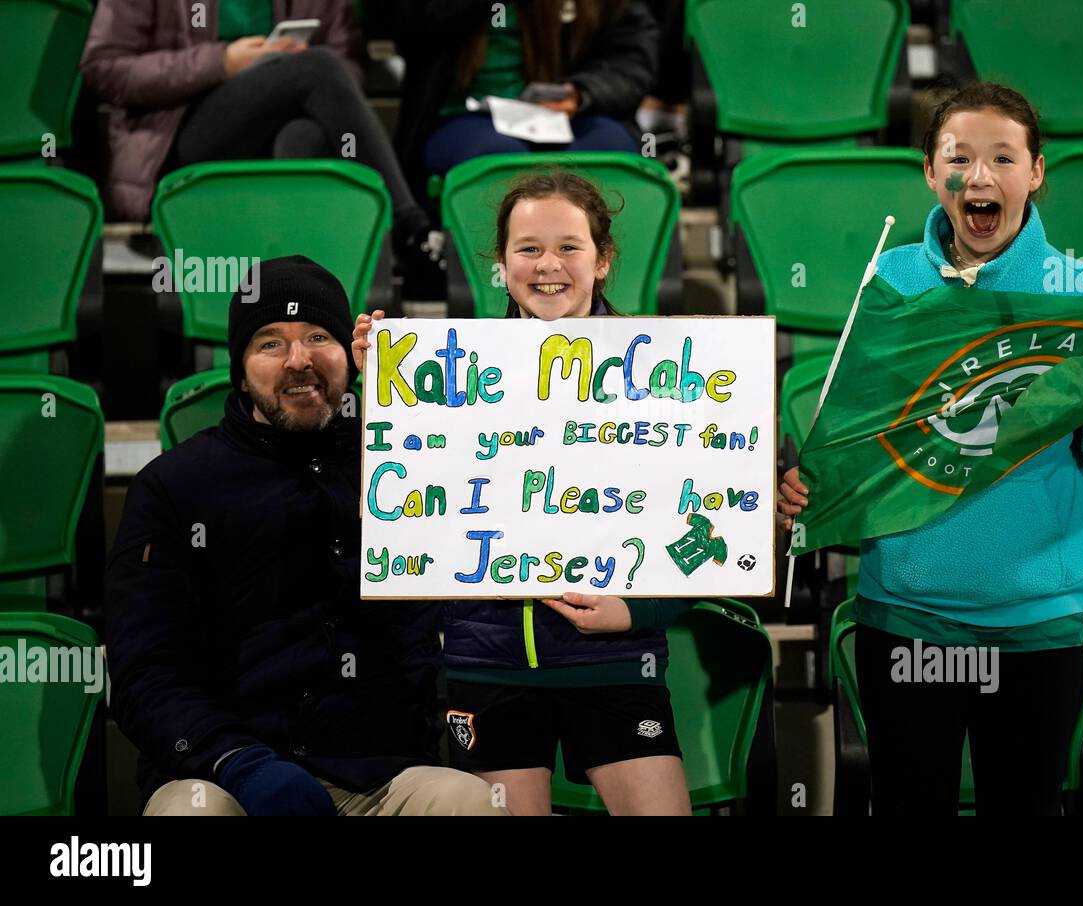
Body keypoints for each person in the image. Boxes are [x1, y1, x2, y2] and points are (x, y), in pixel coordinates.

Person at [777, 82, 1083, 816]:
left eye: (1003, 158)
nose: (980, 177)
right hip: (903, 621)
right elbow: (859, 443)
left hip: (1037, 629)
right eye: (959, 158)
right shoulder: (889, 280)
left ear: (1037, 171)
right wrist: (805, 485)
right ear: (931, 173)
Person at [106, 255, 504, 815]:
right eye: (270, 343)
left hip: (381, 777)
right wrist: (239, 762)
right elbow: (143, 672)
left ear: (349, 354)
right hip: (223, 776)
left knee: (467, 801)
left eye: (319, 337)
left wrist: (400, 411)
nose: (299, 362)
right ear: (241, 369)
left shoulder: (399, 466)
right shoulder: (172, 487)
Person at [354, 171, 693, 815]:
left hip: (615, 661)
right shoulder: (443, 370)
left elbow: (708, 522)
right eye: (528, 248)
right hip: (487, 666)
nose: (548, 266)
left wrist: (641, 611)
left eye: (569, 247)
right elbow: (408, 512)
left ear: (604, 260)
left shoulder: (666, 371)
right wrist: (383, 393)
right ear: (501, 263)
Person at [80, 1, 440, 272]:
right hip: (177, 135)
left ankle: (296, 296)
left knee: (303, 137)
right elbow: (104, 67)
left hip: (280, 133)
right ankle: (406, 225)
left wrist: (286, 74)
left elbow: (348, 63)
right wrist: (221, 62)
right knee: (319, 66)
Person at [387, 0, 659, 182]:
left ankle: (604, 266)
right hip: (461, 114)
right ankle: (498, 268)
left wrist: (582, 91)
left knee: (607, 154)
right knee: (501, 166)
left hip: (566, 112)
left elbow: (632, 55)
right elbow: (402, 21)